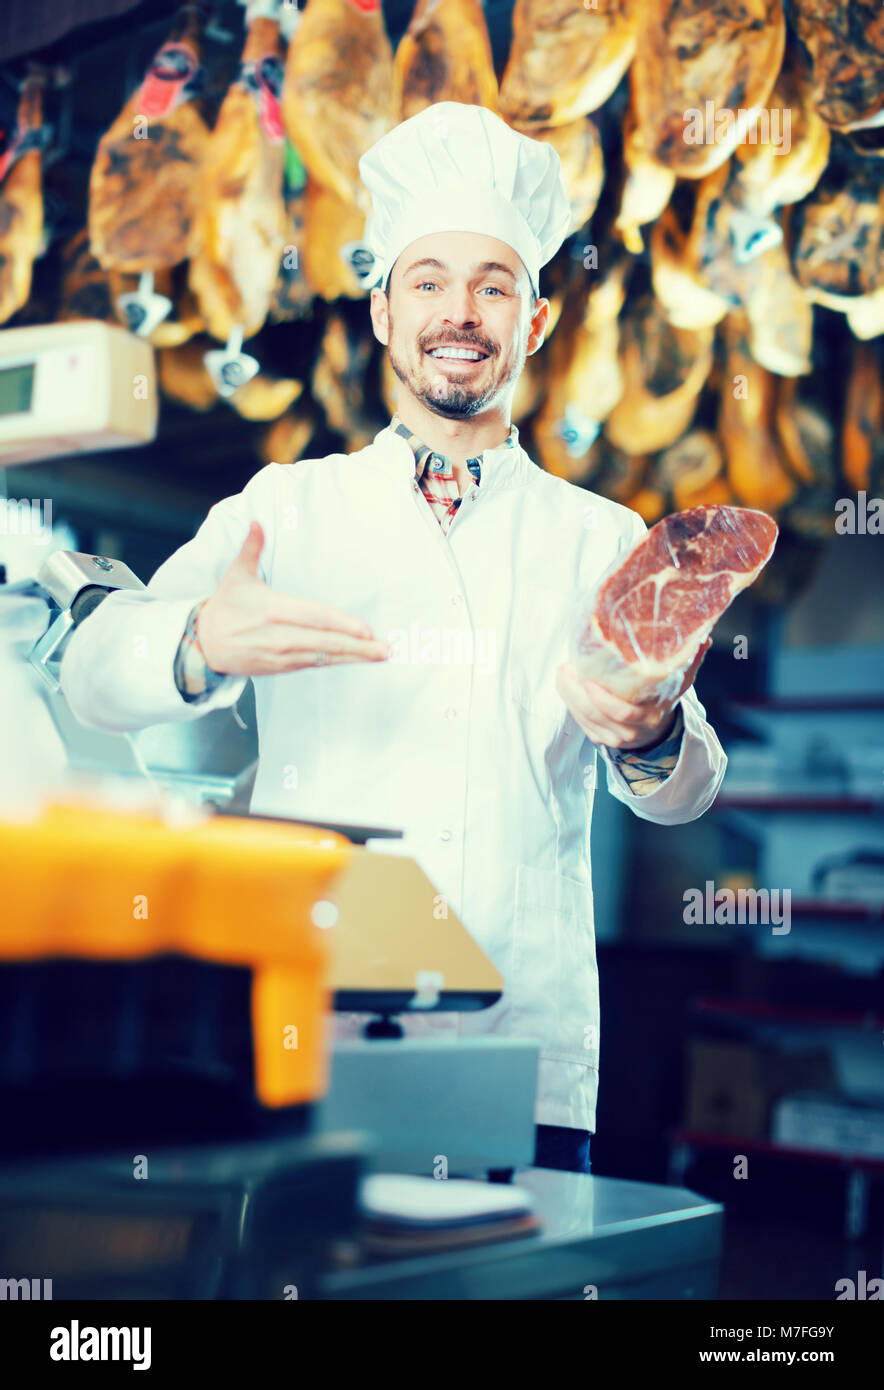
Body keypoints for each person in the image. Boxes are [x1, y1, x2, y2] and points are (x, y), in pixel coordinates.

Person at [61, 102, 726, 1175]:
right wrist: (192, 641)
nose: (457, 312)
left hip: (524, 1048)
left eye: (492, 285)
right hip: (304, 1027)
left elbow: (688, 784)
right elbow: (94, 679)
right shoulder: (288, 505)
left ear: (534, 323)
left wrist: (648, 734)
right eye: (427, 281)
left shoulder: (601, 537)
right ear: (379, 311)